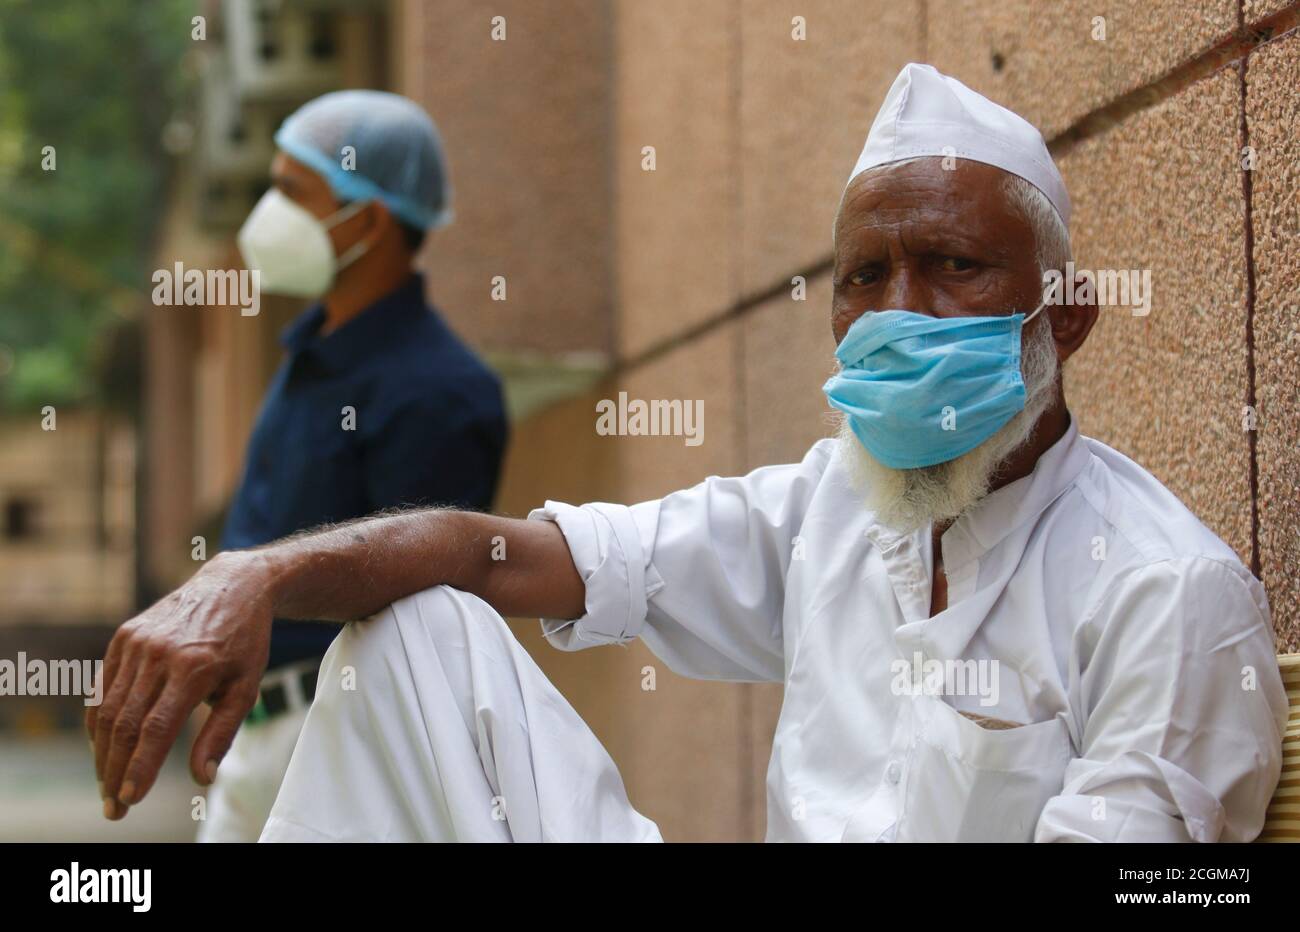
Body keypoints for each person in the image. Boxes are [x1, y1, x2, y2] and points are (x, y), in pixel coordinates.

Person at [91, 65, 1286, 842]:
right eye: (865, 276)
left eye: (954, 267)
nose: (898, 310)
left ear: (1062, 314)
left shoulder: (1164, 593)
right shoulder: (826, 510)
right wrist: (245, 577)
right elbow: (496, 554)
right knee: (421, 626)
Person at [192, 90, 507, 841]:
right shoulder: (312, 349)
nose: (269, 212)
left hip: (341, 742)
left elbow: (414, 614)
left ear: (365, 219)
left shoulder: (441, 391)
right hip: (255, 736)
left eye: (292, 192)